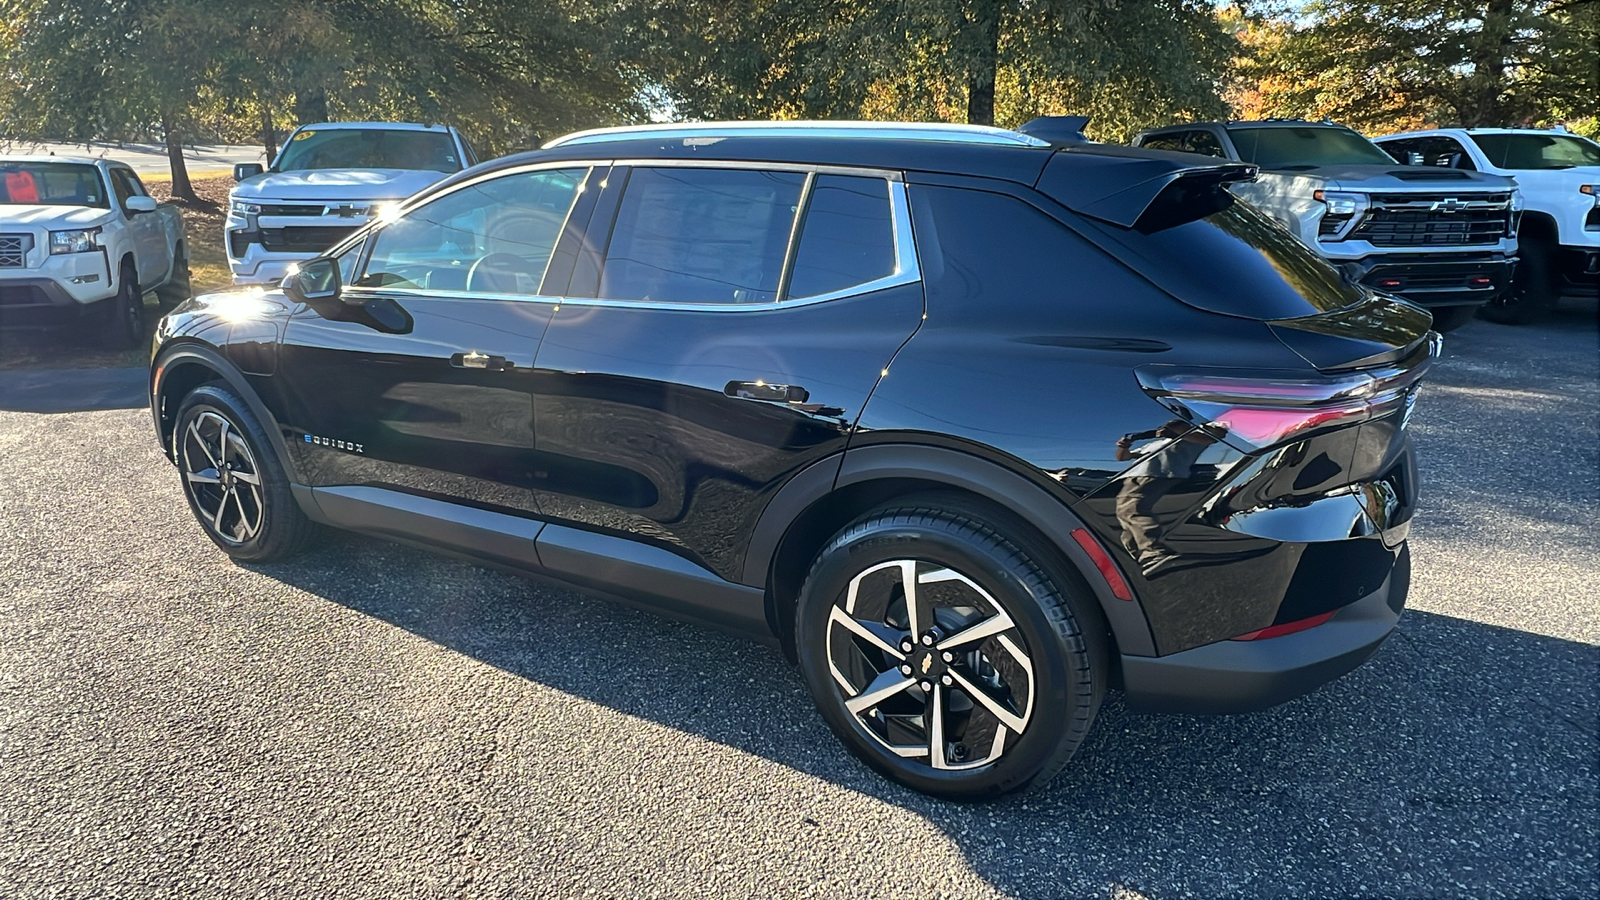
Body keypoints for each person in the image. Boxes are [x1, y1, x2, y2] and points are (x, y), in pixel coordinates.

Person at [1113, 420, 1221, 577]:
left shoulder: (1194, 437)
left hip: (1155, 474)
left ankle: (1154, 551)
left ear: (1186, 426)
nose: (1166, 427)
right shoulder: (1155, 444)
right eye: (1165, 426)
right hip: (1137, 476)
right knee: (1125, 515)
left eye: (1173, 424)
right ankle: (1135, 553)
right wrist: (1124, 446)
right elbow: (1122, 458)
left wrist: (1177, 433)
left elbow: (1213, 438)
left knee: (1133, 511)